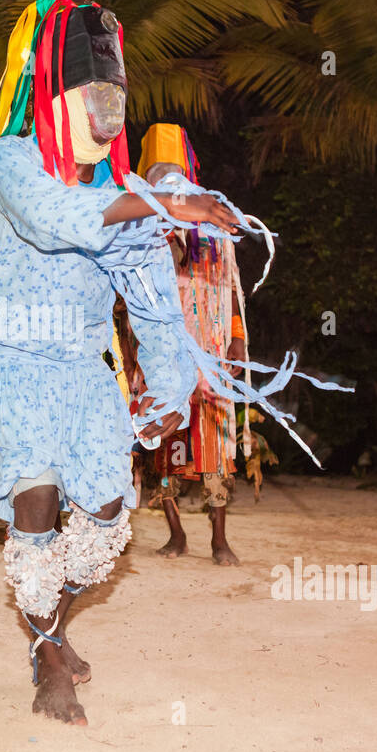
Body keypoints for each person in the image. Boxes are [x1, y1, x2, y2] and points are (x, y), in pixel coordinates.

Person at [0, 0, 248, 726]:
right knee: (35, 500)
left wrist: (172, 386)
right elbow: (56, 220)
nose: (107, 108)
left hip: (84, 365)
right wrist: (161, 204)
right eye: (93, 93)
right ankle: (47, 663)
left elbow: (155, 305)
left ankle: (50, 631)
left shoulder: (127, 196)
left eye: (115, 95)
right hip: (12, 351)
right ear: (58, 96)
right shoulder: (12, 158)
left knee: (101, 521)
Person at [136, 123, 248, 566]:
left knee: (216, 442)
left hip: (212, 349)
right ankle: (176, 534)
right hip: (158, 351)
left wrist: (237, 339)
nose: (167, 178)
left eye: (173, 172)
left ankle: (219, 539)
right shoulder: (142, 224)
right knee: (162, 443)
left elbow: (231, 287)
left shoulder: (212, 223)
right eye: (158, 173)